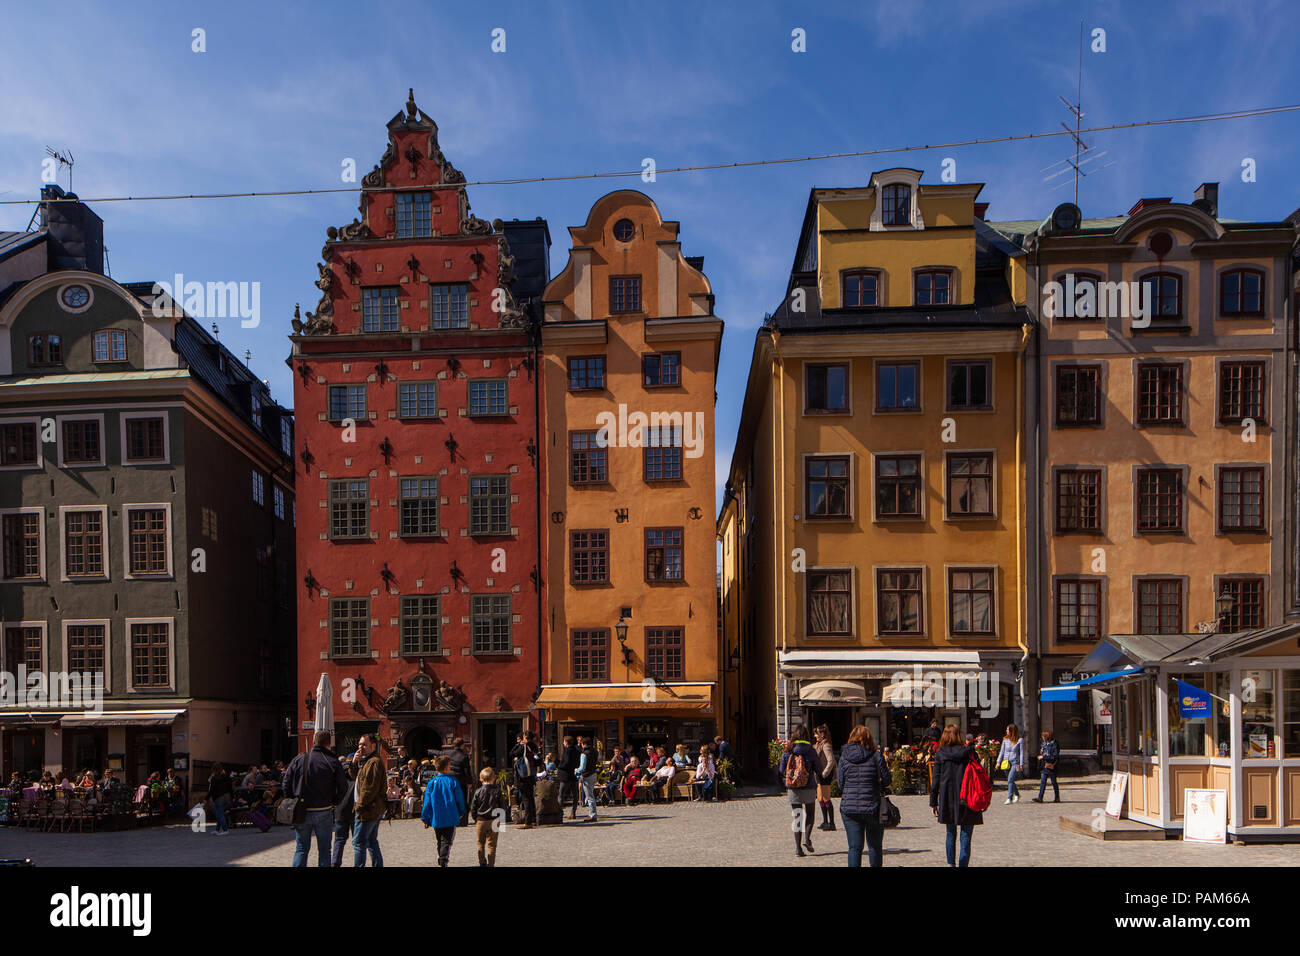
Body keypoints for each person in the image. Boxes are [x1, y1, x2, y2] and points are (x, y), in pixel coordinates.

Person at [282, 731, 350, 867]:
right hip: (323, 810)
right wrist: (334, 801)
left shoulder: (299, 759)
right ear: (329, 744)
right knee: (324, 850)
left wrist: (291, 799)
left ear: (313, 742)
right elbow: (343, 786)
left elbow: (285, 783)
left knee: (301, 849)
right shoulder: (332, 761)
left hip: (301, 810)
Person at [930, 724, 983, 867]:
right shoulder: (968, 753)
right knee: (966, 835)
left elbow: (935, 781)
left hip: (948, 799)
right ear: (959, 735)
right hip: (967, 797)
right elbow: (980, 775)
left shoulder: (941, 754)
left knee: (950, 833)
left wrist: (933, 802)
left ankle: (950, 864)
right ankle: (963, 864)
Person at [837, 725, 890, 867]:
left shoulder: (844, 757)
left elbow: (840, 784)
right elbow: (887, 780)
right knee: (875, 847)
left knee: (854, 848)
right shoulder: (876, 756)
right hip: (873, 807)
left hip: (849, 808)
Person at [778, 726, 822, 857]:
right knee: (810, 814)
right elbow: (819, 769)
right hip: (808, 787)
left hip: (793, 788)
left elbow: (781, 770)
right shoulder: (811, 751)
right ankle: (807, 838)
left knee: (798, 816)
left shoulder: (788, 750)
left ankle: (798, 848)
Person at [421, 755, 466, 867]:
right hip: (450, 815)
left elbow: (427, 802)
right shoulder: (452, 781)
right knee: (447, 840)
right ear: (447, 767)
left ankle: (441, 857)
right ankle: (443, 859)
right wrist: (461, 812)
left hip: (437, 817)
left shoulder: (431, 783)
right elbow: (459, 799)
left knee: (440, 840)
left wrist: (425, 817)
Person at [351, 733, 386, 866]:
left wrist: (359, 806)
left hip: (368, 808)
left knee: (358, 842)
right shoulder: (366, 761)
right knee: (371, 840)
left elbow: (369, 788)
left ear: (373, 746)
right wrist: (354, 763)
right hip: (370, 807)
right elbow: (355, 777)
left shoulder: (374, 762)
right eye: (360, 744)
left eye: (364, 744)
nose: (361, 747)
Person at [469, 766, 505, 866]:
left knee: (480, 843)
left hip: (481, 820)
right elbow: (502, 806)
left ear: (481, 779)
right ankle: (491, 864)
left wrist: (475, 818)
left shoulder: (478, 791)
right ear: (493, 778)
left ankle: (482, 863)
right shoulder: (497, 791)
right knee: (492, 845)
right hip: (494, 820)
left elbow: (473, 807)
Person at [508, 731, 539, 829]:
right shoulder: (534, 746)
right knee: (530, 797)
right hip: (531, 775)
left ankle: (528, 822)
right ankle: (534, 820)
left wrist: (518, 744)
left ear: (525, 737)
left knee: (525, 799)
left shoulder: (523, 747)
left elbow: (511, 753)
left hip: (523, 776)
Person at [813, 724, 837, 832]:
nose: (815, 735)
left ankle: (831, 823)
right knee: (820, 798)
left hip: (825, 775)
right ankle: (825, 821)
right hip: (819, 774)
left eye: (817, 733)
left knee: (826, 797)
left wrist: (824, 773)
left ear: (822, 734)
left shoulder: (826, 745)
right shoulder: (818, 745)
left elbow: (831, 760)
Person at [997, 724, 1025, 804]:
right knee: (1010, 780)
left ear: (1012, 731)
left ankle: (1009, 797)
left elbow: (1022, 753)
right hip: (1006, 762)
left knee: (1010, 779)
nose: (1006, 731)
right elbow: (1002, 752)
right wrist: (998, 762)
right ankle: (1017, 794)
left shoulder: (1020, 740)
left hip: (1015, 762)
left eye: (1008, 730)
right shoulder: (1005, 740)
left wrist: (1021, 764)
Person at [447, 738, 473, 826]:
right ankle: (462, 819)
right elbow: (467, 770)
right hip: (461, 781)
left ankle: (452, 818)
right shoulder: (464, 756)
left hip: (450, 780)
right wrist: (469, 782)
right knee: (462, 800)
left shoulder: (449, 754)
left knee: (452, 799)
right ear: (462, 745)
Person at [332, 767, 354, 867]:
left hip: (340, 811)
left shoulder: (337, 782)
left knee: (339, 839)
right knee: (358, 841)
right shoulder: (356, 781)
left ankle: (335, 862)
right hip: (354, 812)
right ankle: (358, 862)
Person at [1032, 730, 1060, 804]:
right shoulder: (1044, 745)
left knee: (1054, 782)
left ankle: (1057, 797)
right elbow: (1042, 752)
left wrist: (1043, 757)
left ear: (1047, 737)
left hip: (1051, 766)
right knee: (1043, 782)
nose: (1042, 738)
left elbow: (1054, 757)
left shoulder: (1054, 745)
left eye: (1043, 736)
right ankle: (1040, 797)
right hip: (1044, 766)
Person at [556, 736, 580, 820]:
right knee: (575, 795)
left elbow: (566, 763)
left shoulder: (567, 751)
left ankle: (559, 813)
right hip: (573, 775)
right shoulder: (576, 751)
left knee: (561, 794)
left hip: (565, 775)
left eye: (563, 741)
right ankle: (573, 812)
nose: (563, 743)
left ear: (566, 742)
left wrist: (559, 765)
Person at [577, 736, 600, 822]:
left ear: (584, 744)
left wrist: (576, 771)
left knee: (589, 796)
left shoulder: (584, 754)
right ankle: (592, 813)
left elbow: (582, 767)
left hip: (587, 775)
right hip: (593, 774)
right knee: (591, 795)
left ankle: (592, 814)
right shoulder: (595, 751)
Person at [206, 764, 234, 835]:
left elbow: (211, 790)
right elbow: (231, 788)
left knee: (220, 813)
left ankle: (225, 830)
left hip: (218, 797)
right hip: (227, 797)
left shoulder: (214, 779)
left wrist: (206, 798)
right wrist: (232, 797)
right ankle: (217, 829)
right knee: (220, 813)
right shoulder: (227, 777)